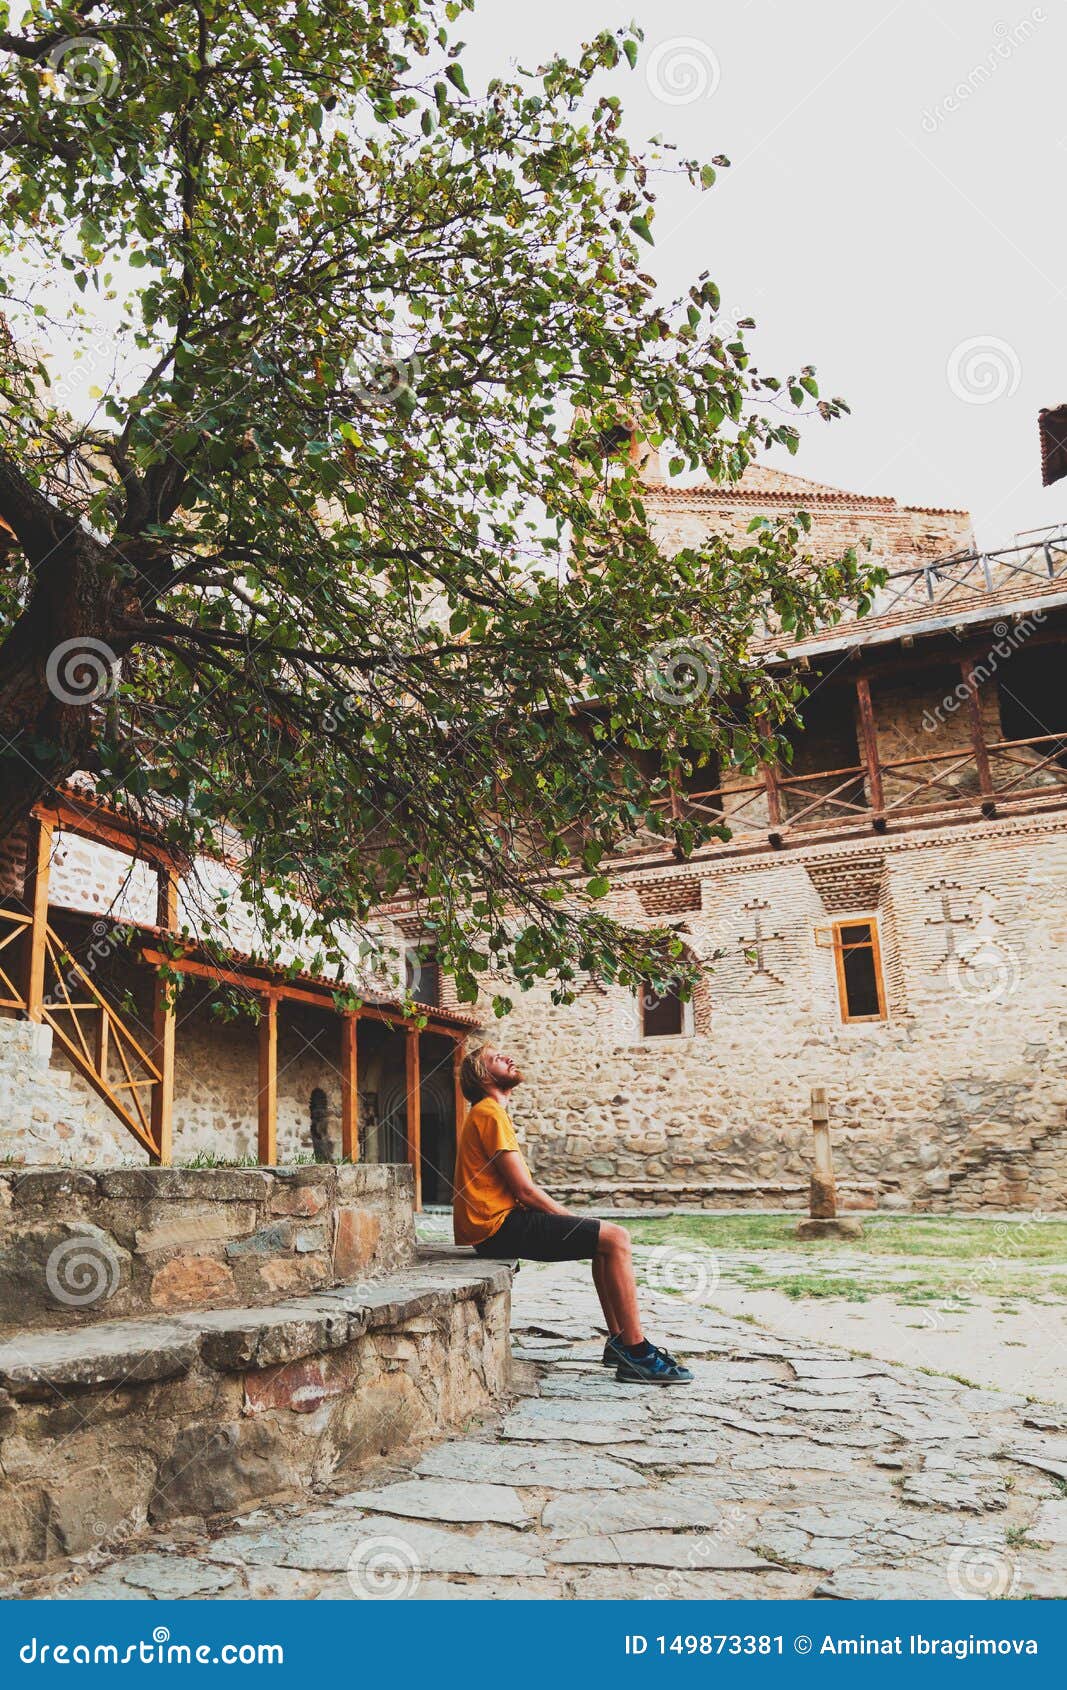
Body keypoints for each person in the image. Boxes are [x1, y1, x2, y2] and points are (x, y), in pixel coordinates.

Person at [452, 1043, 692, 1385]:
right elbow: (525, 1191)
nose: (507, 1057)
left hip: (495, 1227)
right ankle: (637, 1354)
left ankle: (620, 1342)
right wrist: (568, 1220)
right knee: (616, 1238)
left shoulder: (486, 1113)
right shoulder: (489, 1113)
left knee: (602, 1243)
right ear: (481, 1074)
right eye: (495, 1058)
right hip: (497, 1227)